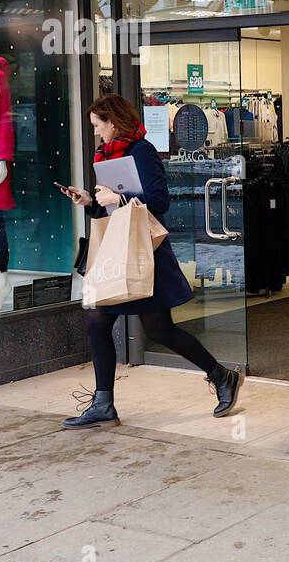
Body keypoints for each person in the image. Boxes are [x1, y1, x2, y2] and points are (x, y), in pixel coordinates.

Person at [58, 94, 244, 428]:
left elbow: (159, 201)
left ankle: (222, 377)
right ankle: (104, 403)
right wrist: (89, 200)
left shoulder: (141, 150)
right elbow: (109, 204)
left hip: (144, 253)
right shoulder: (105, 153)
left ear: (113, 122)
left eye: (99, 126)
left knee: (160, 329)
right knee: (96, 321)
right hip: (119, 249)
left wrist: (121, 197)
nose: (97, 134)